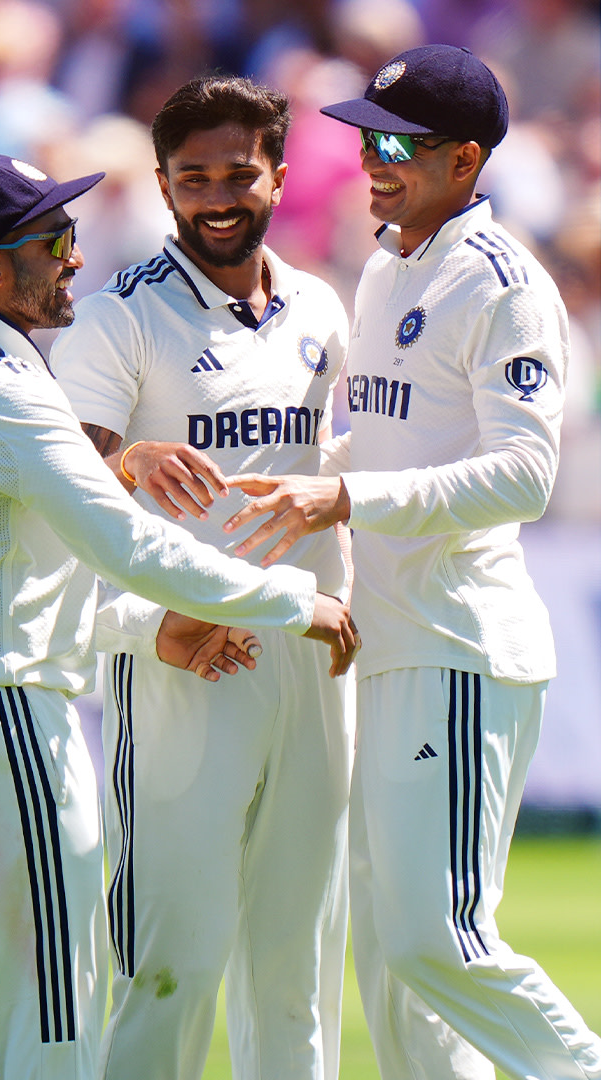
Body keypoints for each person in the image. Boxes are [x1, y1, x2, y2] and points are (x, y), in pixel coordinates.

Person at [0, 153, 360, 1080]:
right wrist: (297, 601)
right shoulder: (4, 389)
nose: (76, 258)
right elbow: (127, 545)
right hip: (6, 725)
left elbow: (15, 575)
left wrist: (146, 625)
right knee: (59, 1031)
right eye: (53, 241)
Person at [223, 44, 601, 1079]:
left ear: (465, 160)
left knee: (441, 940)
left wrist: (345, 498)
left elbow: (522, 476)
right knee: (394, 966)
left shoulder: (505, 286)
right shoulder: (391, 267)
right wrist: (295, 486)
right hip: (385, 642)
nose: (373, 162)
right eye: (366, 141)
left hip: (460, 646)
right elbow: (393, 443)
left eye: (399, 146)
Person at [48, 75, 355, 1080]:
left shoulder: (320, 306)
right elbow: (58, 486)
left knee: (297, 968)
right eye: (194, 178)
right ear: (163, 185)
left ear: (278, 176)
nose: (217, 197)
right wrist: (127, 463)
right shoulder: (120, 316)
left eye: (238, 174)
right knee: (168, 964)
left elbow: (345, 469)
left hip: (311, 654)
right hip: (185, 657)